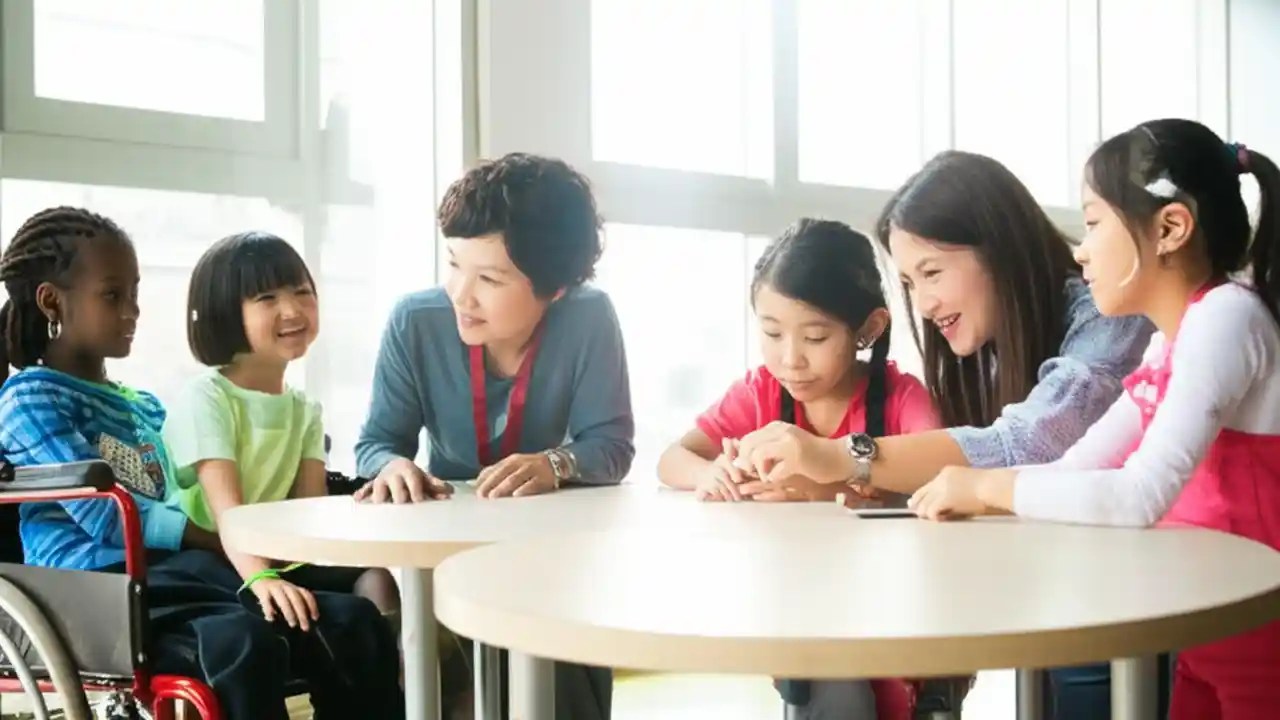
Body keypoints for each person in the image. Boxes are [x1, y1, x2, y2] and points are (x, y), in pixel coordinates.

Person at [733, 151, 1156, 717]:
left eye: (932, 272)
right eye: (909, 282)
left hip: (1140, 613)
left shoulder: (1109, 317)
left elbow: (1027, 447)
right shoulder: (985, 349)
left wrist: (838, 456)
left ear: (999, 248)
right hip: (1061, 606)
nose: (924, 304)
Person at [909, 119, 1280, 720]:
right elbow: (1074, 467)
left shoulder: (1227, 318)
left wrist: (985, 485)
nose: (1080, 249)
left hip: (1262, 639)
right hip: (1210, 635)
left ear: (1170, 228)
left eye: (1092, 222)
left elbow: (1139, 495)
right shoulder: (1172, 341)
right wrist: (988, 495)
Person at [0, 207, 403, 719]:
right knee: (241, 641)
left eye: (135, 294)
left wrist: (371, 483)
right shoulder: (29, 398)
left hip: (180, 573)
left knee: (354, 621)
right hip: (99, 584)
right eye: (113, 295)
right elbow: (103, 514)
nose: (133, 311)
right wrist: (213, 538)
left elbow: (214, 477)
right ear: (52, 301)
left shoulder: (142, 405)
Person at [354, 153, 632, 719]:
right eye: (454, 264)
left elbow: (612, 446)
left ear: (554, 289)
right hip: (445, 555)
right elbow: (376, 443)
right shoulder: (415, 321)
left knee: (566, 689)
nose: (461, 293)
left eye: (490, 278)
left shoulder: (589, 318)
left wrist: (555, 464)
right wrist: (391, 467)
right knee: (452, 694)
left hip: (550, 551)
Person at [659, 218, 939, 719]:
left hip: (892, 610)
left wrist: (820, 487)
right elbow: (672, 458)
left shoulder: (901, 400)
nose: (790, 360)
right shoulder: (760, 393)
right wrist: (708, 475)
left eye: (814, 337)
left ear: (869, 329)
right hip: (796, 614)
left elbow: (937, 476)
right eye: (771, 333)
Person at [164, 231, 398, 626]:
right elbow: (228, 515)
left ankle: (407, 681)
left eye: (302, 292)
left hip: (271, 555)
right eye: (267, 298)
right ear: (224, 311)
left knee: (375, 578)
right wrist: (261, 577)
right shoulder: (206, 398)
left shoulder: (304, 408)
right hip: (209, 559)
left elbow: (307, 510)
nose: (292, 310)